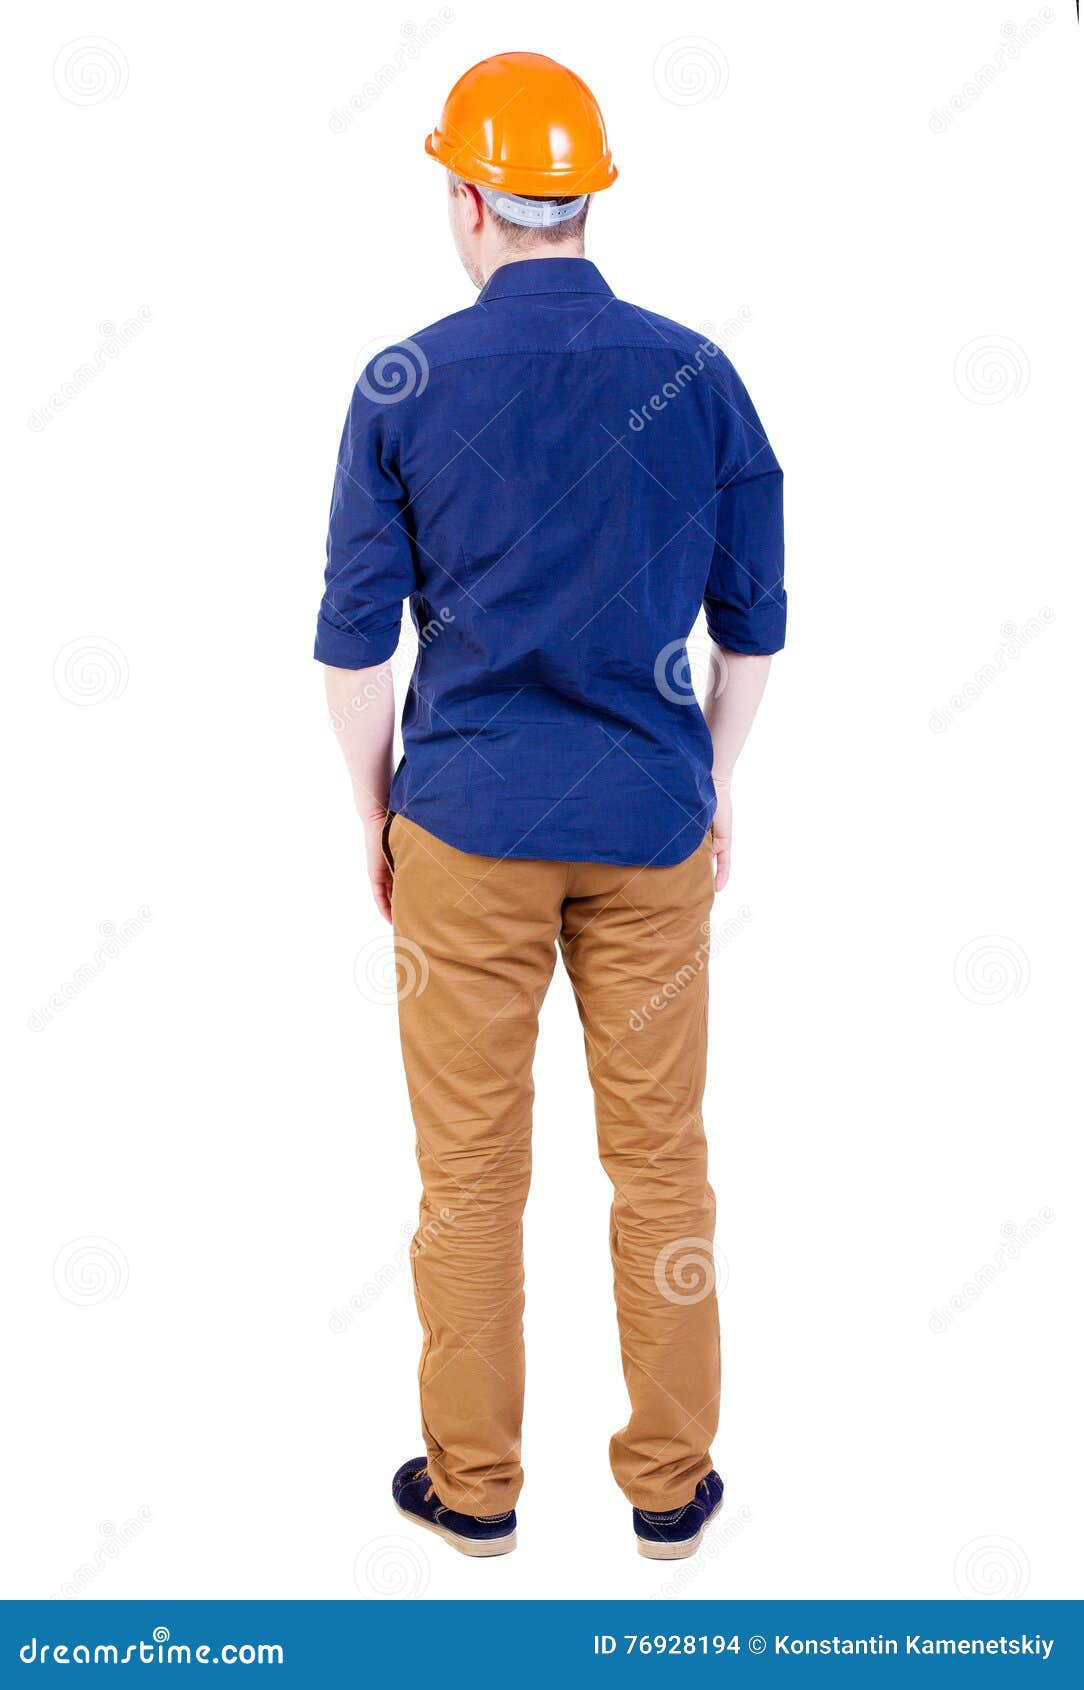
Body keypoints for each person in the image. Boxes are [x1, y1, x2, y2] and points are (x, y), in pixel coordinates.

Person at [315, 51, 785, 1560]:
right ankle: (668, 1488)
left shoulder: (402, 384)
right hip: (651, 829)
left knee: (468, 1172)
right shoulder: (696, 375)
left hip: (462, 828)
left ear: (468, 201)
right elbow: (755, 625)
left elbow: (352, 644)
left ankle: (476, 1488)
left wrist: (378, 806)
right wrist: (710, 784)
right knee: (661, 1164)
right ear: (583, 199)